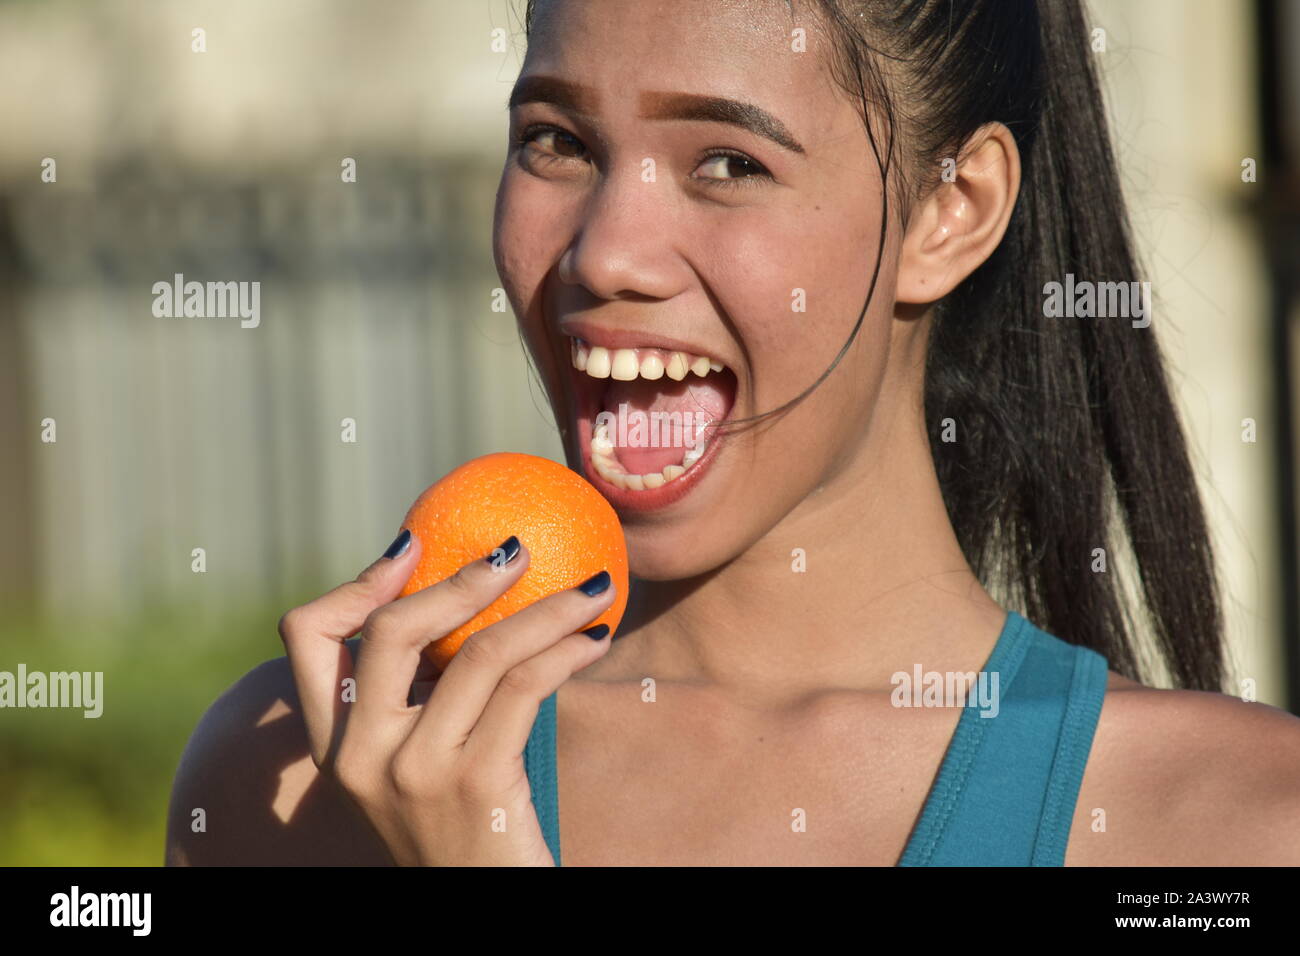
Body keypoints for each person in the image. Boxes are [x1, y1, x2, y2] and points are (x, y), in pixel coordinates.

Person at [166, 0, 1300, 866]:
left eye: (727, 161)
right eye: (556, 140)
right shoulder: (294, 781)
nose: (605, 253)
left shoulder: (1230, 826)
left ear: (951, 210)